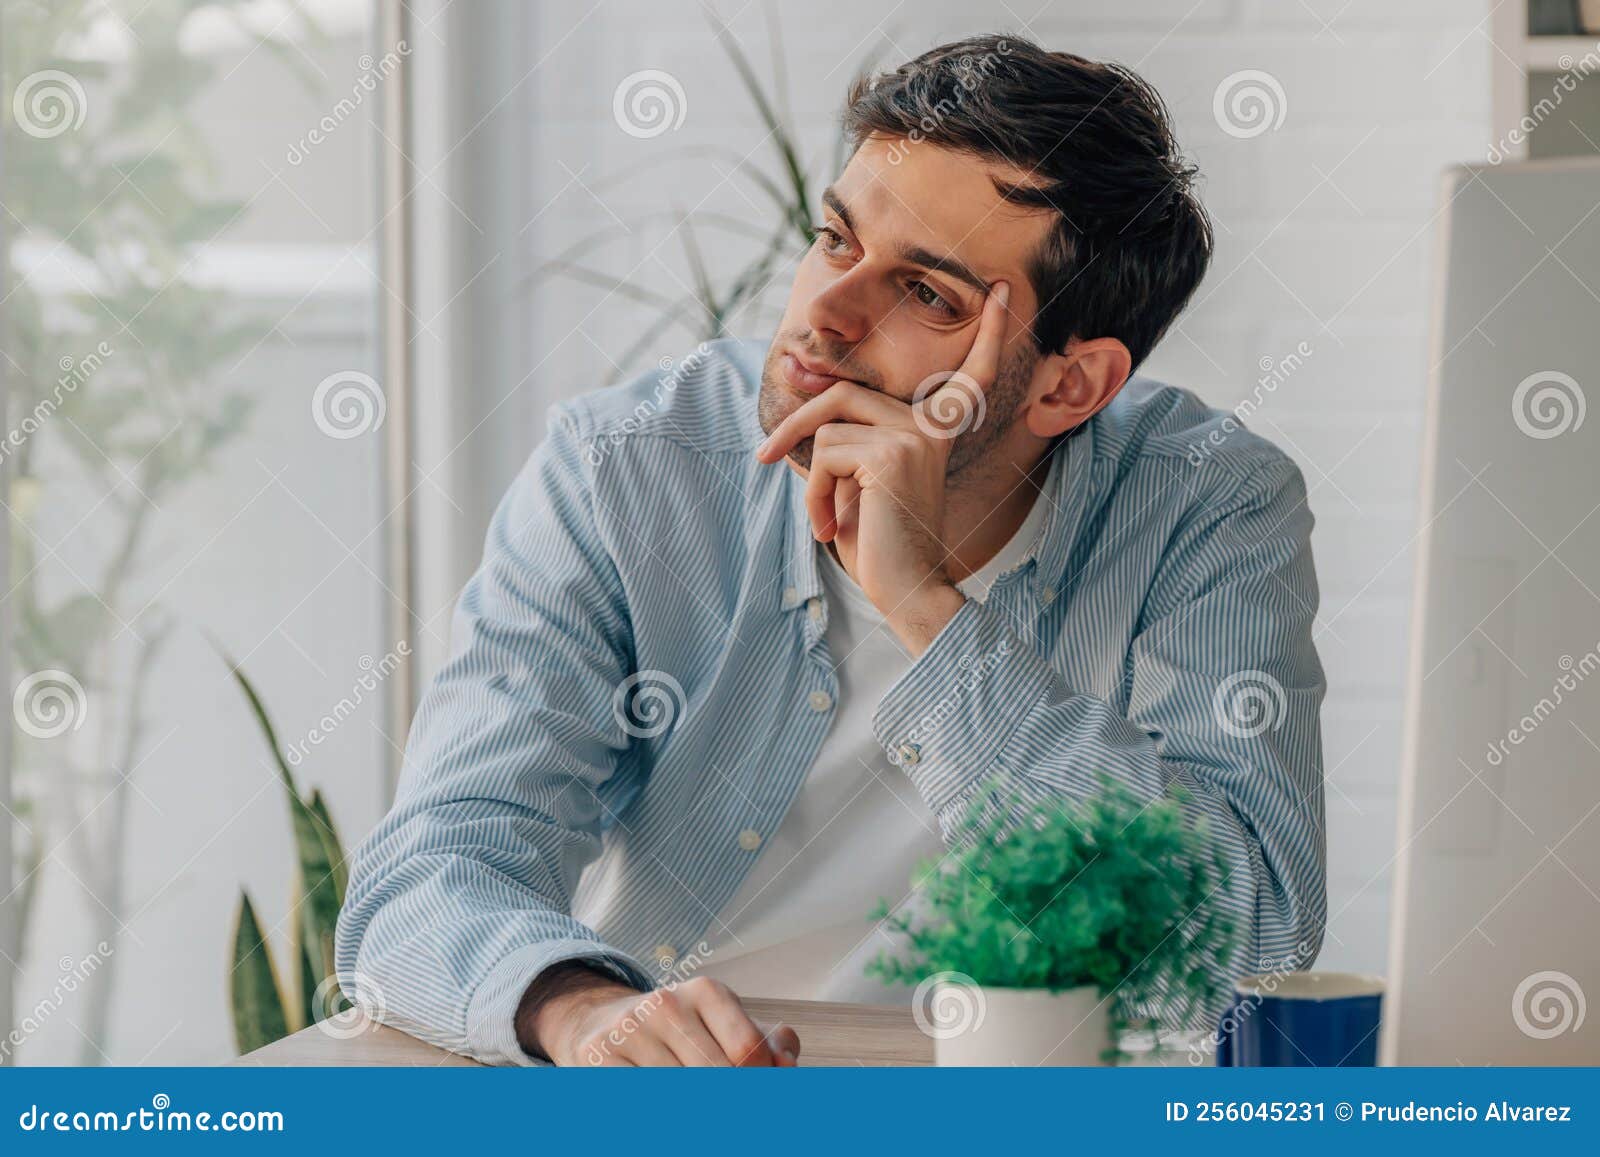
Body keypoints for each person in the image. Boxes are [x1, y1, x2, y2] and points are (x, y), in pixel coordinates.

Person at [336, 34, 1327, 1067]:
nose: (825, 312)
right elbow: (432, 870)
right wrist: (583, 1012)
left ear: (1067, 385)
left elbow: (1252, 935)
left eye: (927, 294)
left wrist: (926, 613)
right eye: (837, 239)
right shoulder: (630, 469)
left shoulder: (1203, 505)